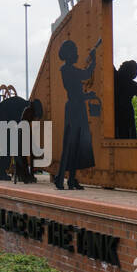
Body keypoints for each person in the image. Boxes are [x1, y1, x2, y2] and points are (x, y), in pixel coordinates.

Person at [54, 39, 99, 190]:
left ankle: (70, 179)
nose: (77, 54)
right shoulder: (68, 70)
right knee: (70, 145)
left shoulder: (67, 70)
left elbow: (83, 76)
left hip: (75, 108)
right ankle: (61, 178)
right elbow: (85, 75)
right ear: (69, 54)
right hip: (75, 109)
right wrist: (93, 60)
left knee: (75, 145)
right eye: (75, 51)